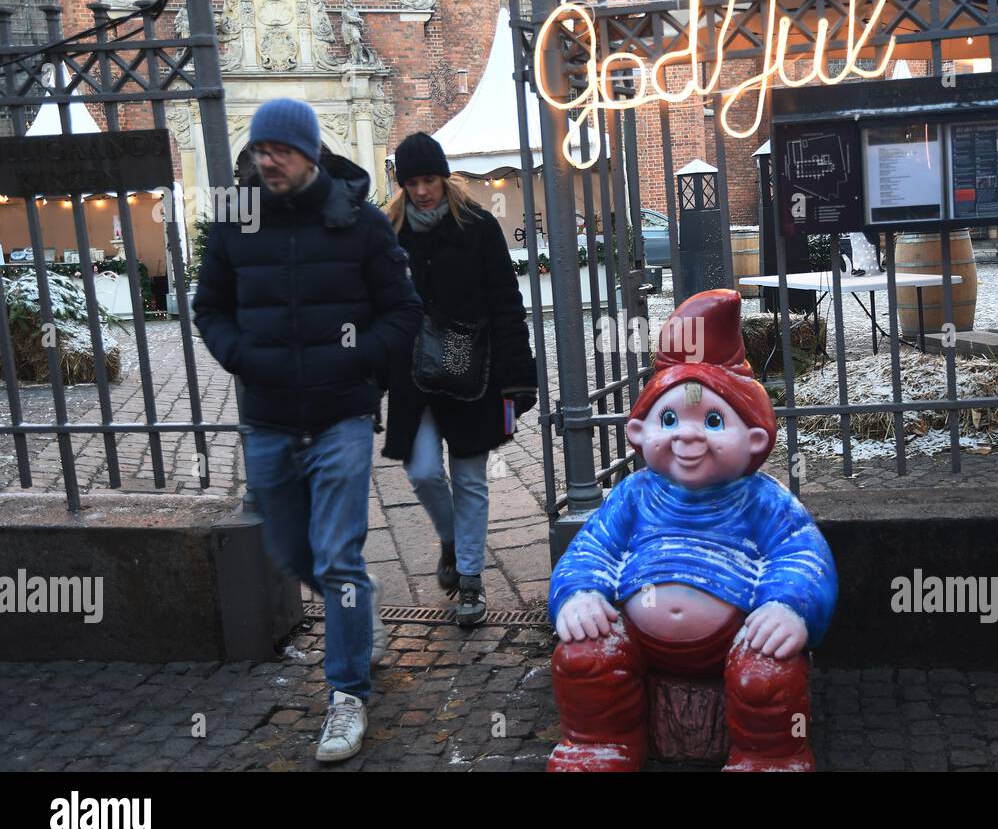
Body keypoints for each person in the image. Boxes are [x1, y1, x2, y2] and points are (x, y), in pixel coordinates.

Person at [193, 98, 422, 763]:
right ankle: (363, 617)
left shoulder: (360, 221)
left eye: (280, 151)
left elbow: (404, 312)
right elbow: (210, 307)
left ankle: (346, 695)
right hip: (267, 417)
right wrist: (244, 355)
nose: (266, 161)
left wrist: (357, 359)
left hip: (340, 418)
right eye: (260, 150)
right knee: (294, 555)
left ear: (310, 154)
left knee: (337, 558)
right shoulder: (236, 218)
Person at [546, 289, 838, 771]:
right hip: (637, 637)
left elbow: (802, 555)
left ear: (754, 440)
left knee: (766, 678)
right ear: (639, 433)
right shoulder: (635, 494)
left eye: (714, 419)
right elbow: (593, 547)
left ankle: (768, 756)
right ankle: (600, 744)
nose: (687, 434)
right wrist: (579, 593)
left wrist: (789, 606)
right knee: (585, 659)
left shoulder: (760, 500)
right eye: (669, 417)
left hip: (736, 635)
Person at [381, 132, 537, 627]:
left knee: (470, 479)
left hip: (475, 371)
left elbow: (506, 304)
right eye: (412, 182)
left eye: (428, 179)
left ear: (444, 177)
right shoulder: (390, 233)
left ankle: (470, 578)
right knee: (423, 470)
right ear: (401, 185)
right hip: (413, 375)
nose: (422, 190)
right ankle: (451, 539)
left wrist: (518, 378)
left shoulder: (478, 226)